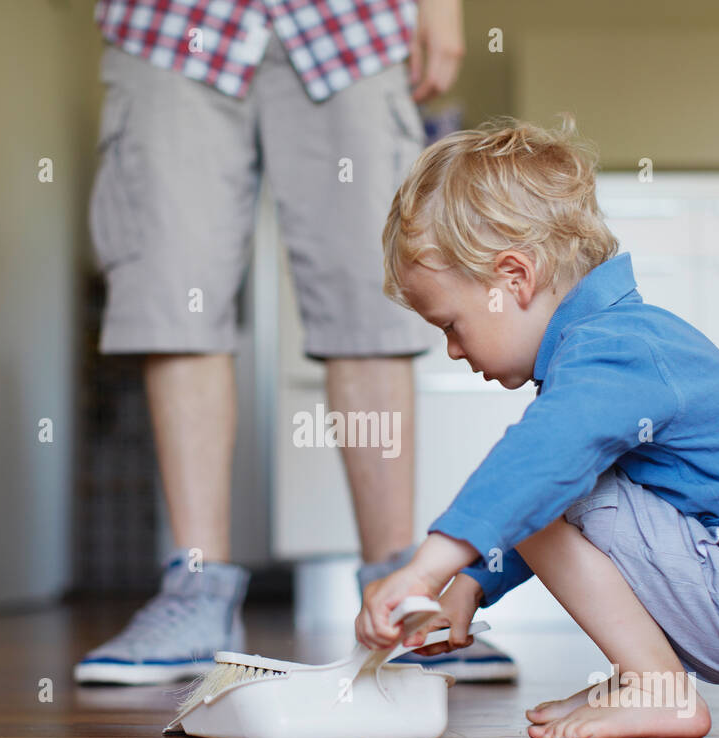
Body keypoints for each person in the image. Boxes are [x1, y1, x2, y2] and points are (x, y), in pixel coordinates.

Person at [357, 115, 719, 738]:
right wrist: (472, 585)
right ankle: (645, 674)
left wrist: (426, 569)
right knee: (555, 483)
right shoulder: (617, 341)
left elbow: (541, 474)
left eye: (450, 324)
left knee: (543, 481)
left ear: (515, 279)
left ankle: (659, 688)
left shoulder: (613, 347)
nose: (452, 349)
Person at [75, 0, 518, 685]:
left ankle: (400, 594)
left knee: (375, 296)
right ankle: (196, 598)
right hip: (166, 23)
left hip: (352, 22)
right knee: (176, 295)